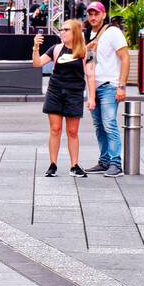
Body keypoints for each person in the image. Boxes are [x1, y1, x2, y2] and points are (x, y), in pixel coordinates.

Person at [32, 19, 92, 178]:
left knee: (72, 131)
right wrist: (36, 47)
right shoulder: (56, 49)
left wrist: (91, 98)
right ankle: (53, 164)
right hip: (55, 91)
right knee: (55, 129)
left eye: (66, 29)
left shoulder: (85, 51)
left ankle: (74, 165)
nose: (62, 32)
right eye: (61, 29)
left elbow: (90, 75)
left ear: (75, 33)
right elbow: (37, 63)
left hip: (74, 93)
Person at [82, 2, 129, 177]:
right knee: (99, 126)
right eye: (90, 14)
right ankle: (104, 161)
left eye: (96, 14)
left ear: (103, 14)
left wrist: (121, 86)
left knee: (109, 124)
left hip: (110, 84)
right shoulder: (88, 34)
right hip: (94, 85)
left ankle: (116, 163)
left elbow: (125, 58)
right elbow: (88, 59)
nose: (93, 17)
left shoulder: (113, 32)